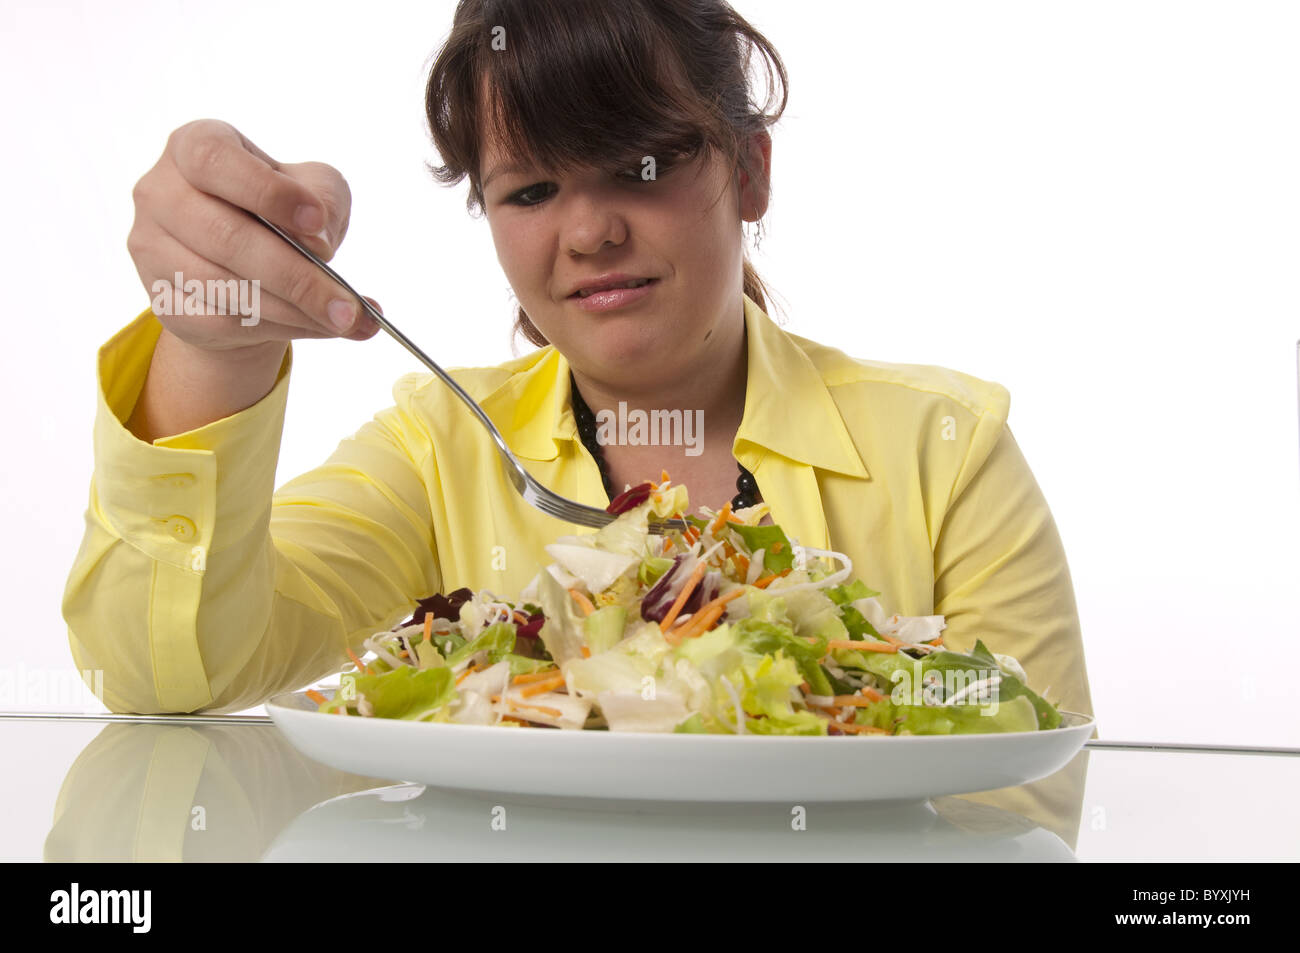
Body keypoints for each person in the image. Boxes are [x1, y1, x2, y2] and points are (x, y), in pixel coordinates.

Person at [62, 0, 1094, 837]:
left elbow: (1020, 806)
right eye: (531, 189)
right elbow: (169, 674)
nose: (591, 231)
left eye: (642, 164)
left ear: (748, 171)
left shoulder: (943, 451)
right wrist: (211, 344)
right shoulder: (439, 443)